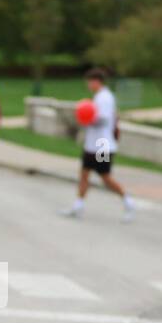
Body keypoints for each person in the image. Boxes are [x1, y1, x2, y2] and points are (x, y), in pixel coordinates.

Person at [61, 67, 134, 221]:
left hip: (102, 144)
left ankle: (128, 201)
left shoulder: (105, 98)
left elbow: (103, 119)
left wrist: (86, 119)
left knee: (105, 177)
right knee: (84, 174)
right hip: (91, 144)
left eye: (89, 82)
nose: (88, 85)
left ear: (96, 81)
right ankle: (78, 205)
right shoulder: (98, 97)